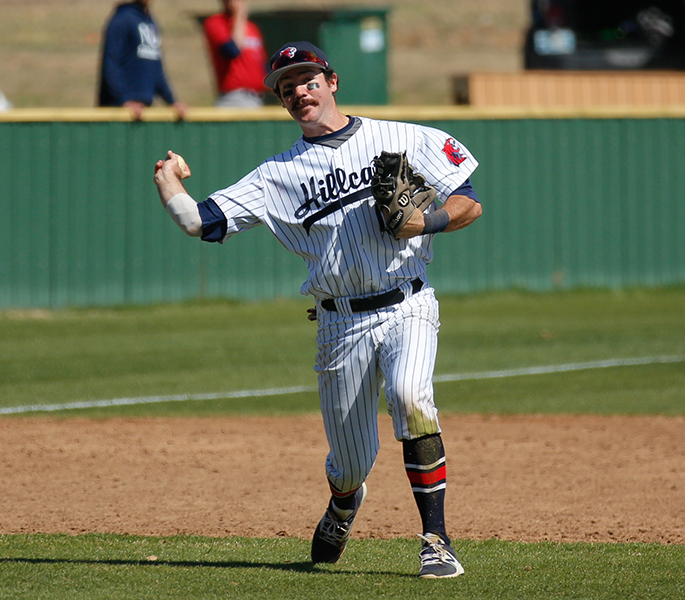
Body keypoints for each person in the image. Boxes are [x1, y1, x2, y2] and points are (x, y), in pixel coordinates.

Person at [152, 41, 482, 578]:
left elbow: (468, 200)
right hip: (339, 321)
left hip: (407, 301)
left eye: (307, 80)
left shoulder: (401, 137)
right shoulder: (276, 175)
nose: (298, 91)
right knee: (351, 462)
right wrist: (167, 182)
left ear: (332, 81)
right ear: (282, 103)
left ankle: (436, 539)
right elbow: (200, 223)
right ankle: (344, 502)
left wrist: (426, 223)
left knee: (411, 396)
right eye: (286, 88)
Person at [97, 0, 187, 119]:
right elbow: (111, 64)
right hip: (119, 110)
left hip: (143, 109)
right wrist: (124, 101)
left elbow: (156, 67)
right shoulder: (121, 19)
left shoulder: (149, 21)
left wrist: (172, 101)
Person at [201, 0, 268, 107]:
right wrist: (239, 15)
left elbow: (262, 66)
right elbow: (233, 50)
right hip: (234, 98)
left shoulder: (252, 28)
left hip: (256, 98)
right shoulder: (216, 22)